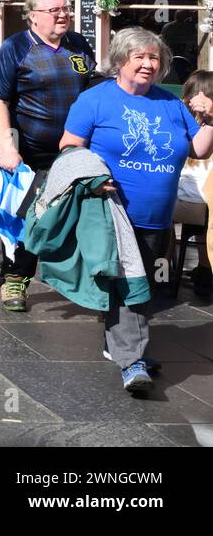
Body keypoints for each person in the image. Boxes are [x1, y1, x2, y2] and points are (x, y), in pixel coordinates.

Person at [59, 27, 213, 393]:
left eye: (154, 57)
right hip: (113, 211)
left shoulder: (170, 104)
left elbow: (199, 150)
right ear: (120, 60)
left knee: (140, 287)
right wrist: (93, 178)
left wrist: (211, 121)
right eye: (139, 57)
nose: (147, 64)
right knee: (131, 285)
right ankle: (133, 362)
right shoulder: (95, 100)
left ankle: (122, 345)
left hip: (157, 216)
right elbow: (69, 147)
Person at [0, 0, 95, 311]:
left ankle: (86, 281)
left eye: (65, 8)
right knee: (27, 218)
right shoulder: (16, 47)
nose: (62, 14)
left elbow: (91, 91)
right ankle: (15, 279)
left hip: (74, 150)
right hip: (30, 153)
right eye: (54, 10)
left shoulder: (78, 44)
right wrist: (7, 147)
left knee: (80, 215)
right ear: (33, 16)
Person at [176, 71, 213, 298]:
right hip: (207, 205)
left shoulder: (179, 121)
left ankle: (162, 272)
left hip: (182, 203)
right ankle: (205, 268)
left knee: (163, 215)